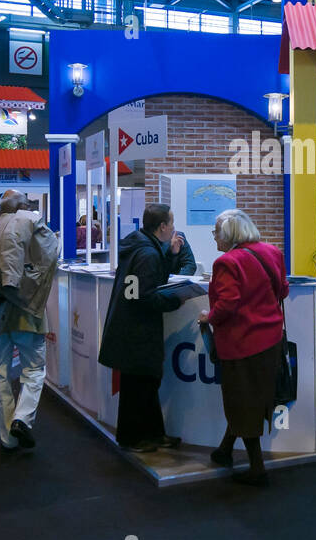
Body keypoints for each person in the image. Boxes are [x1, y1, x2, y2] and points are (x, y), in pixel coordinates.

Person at [195, 208, 287, 486]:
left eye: (216, 233)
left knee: (241, 402)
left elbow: (227, 304)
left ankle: (257, 468)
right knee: (252, 401)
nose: (214, 238)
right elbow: (282, 290)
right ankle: (224, 451)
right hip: (270, 340)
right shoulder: (272, 252)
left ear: (229, 234)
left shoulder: (227, 263)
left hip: (241, 343)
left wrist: (207, 317)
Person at [0, 190, 60, 451]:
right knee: (33, 369)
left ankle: (8, 438)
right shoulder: (32, 222)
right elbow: (49, 256)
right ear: (21, 207)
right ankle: (22, 418)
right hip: (25, 313)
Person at [98, 203, 187, 451]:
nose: (173, 227)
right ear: (162, 226)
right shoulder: (146, 253)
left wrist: (171, 255)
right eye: (171, 222)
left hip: (131, 328)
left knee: (144, 384)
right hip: (137, 331)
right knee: (139, 386)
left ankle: (153, 434)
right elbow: (144, 295)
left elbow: (143, 284)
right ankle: (133, 438)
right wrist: (176, 299)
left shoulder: (140, 247)